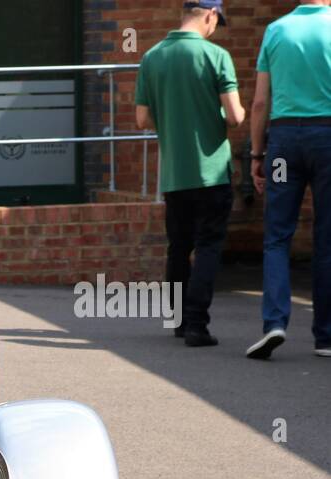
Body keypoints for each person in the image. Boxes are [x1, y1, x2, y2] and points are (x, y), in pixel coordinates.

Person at [135, 0, 245, 348]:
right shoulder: (216, 57)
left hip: (174, 174)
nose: (216, 28)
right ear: (210, 15)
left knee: (178, 246)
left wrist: (171, 123)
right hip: (212, 171)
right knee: (209, 246)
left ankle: (178, 321)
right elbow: (236, 116)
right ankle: (197, 324)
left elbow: (141, 119)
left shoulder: (152, 57)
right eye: (217, 21)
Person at [246, 1, 331, 360]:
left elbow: (260, 102)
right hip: (327, 140)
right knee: (326, 238)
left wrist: (256, 154)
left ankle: (275, 323)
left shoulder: (276, 30)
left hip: (282, 145)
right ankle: (325, 337)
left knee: (277, 236)